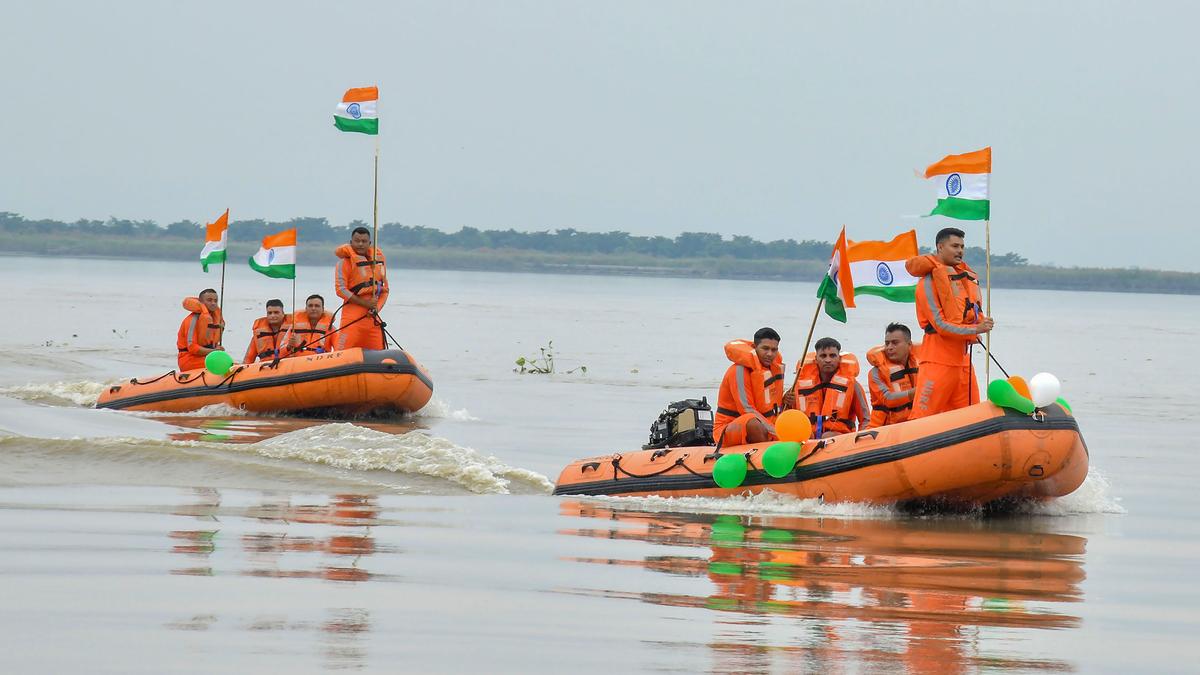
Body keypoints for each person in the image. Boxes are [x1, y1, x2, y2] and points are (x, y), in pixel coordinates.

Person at [905, 227, 994, 418]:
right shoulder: (927, 283)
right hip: (938, 361)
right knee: (922, 417)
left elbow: (968, 313)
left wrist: (981, 321)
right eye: (954, 246)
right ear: (940, 247)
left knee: (969, 417)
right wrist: (976, 328)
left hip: (963, 362)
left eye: (962, 246)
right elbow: (940, 324)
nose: (960, 251)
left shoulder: (962, 278)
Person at [713, 327, 786, 447]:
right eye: (765, 348)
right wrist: (778, 434)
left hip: (765, 424)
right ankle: (768, 452)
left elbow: (771, 405)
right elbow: (746, 409)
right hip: (729, 427)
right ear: (754, 347)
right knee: (752, 422)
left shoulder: (770, 369)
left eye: (774, 350)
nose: (770, 354)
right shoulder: (738, 371)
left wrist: (785, 399)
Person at [787, 337, 868, 438]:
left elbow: (866, 419)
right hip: (809, 439)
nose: (828, 360)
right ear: (816, 359)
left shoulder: (853, 385)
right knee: (807, 435)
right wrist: (787, 401)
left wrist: (860, 441)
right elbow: (788, 417)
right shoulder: (799, 385)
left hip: (840, 439)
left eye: (832, 356)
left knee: (827, 436)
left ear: (839, 358)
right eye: (823, 356)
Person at [334, 226, 389, 351]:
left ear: (369, 243)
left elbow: (385, 291)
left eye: (364, 241)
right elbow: (340, 290)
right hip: (352, 318)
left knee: (379, 356)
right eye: (357, 240)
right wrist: (365, 303)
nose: (360, 244)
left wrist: (376, 308)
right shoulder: (344, 263)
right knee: (342, 353)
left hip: (373, 318)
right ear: (351, 242)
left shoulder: (378, 263)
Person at [866, 323, 920, 428]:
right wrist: (919, 391)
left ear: (909, 345)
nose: (889, 347)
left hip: (914, 423)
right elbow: (888, 399)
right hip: (884, 429)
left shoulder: (923, 365)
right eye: (887, 343)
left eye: (895, 343)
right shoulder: (876, 373)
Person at [176, 288, 224, 371]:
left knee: (232, 365)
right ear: (201, 302)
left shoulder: (215, 320)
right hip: (189, 360)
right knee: (227, 367)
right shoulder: (192, 320)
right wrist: (213, 351)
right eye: (209, 300)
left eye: (215, 301)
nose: (213, 303)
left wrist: (217, 350)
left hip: (206, 358)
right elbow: (192, 348)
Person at [243, 299, 292, 364]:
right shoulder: (259, 333)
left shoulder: (293, 330)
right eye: (270, 313)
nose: (273, 315)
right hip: (266, 368)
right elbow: (248, 358)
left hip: (288, 366)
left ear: (283, 314)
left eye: (276, 312)